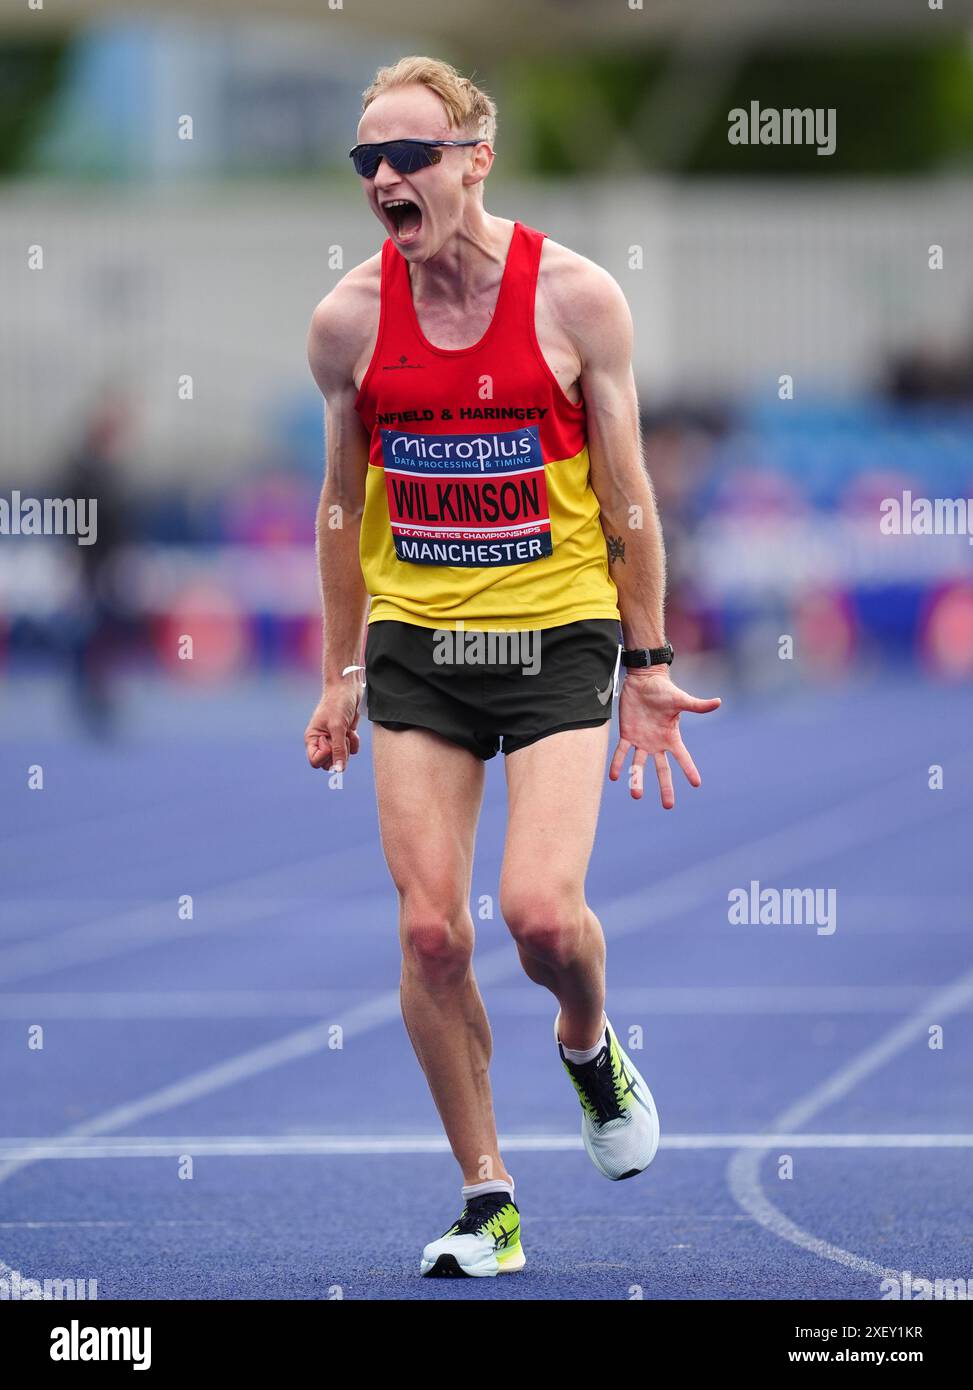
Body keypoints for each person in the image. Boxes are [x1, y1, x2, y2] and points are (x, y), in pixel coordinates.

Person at [305, 56, 720, 1279]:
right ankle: (487, 1198)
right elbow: (340, 506)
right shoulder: (347, 320)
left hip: (554, 633)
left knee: (539, 917)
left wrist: (646, 661)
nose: (385, 176)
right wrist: (340, 669)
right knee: (431, 934)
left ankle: (587, 1043)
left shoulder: (575, 300)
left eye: (410, 155)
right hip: (418, 646)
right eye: (367, 160)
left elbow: (630, 496)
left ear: (474, 159)